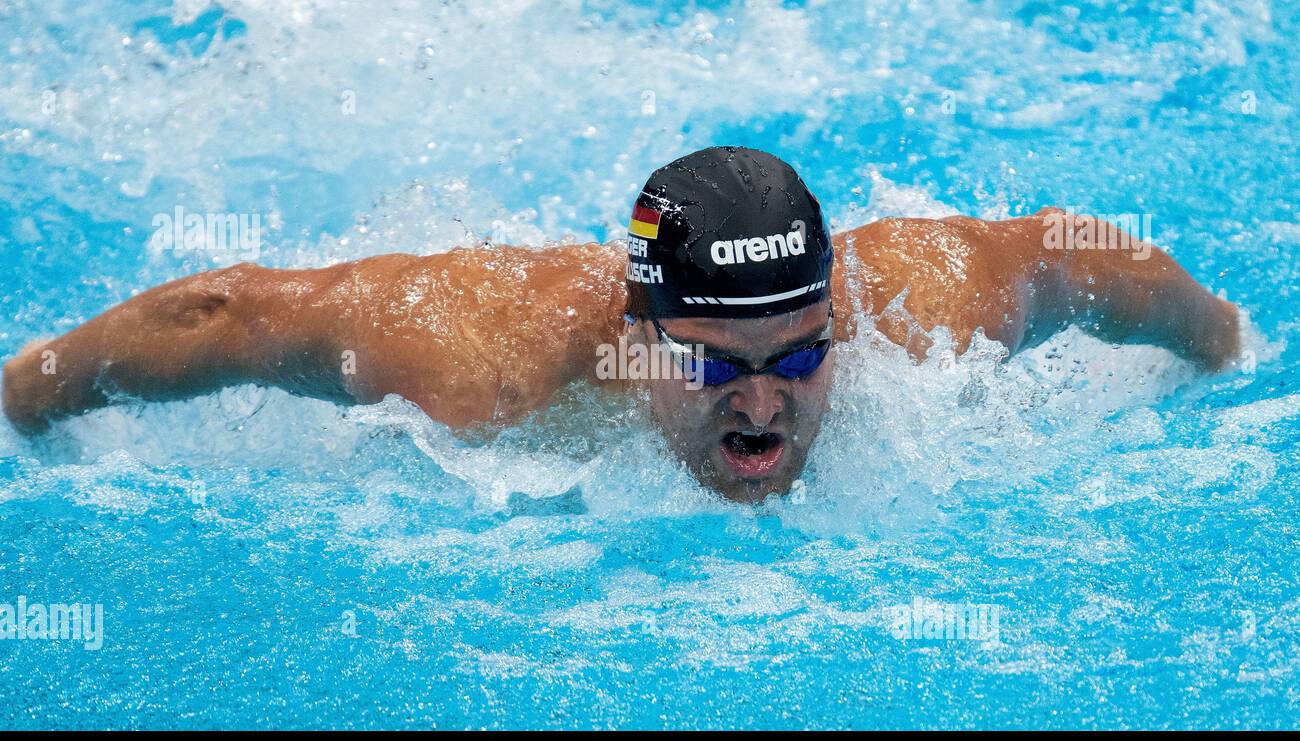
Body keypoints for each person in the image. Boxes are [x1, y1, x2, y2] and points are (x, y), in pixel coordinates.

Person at [1, 146, 1240, 502]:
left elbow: (1083, 256)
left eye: (798, 357)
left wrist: (1229, 346)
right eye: (713, 365)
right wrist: (25, 393)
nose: (762, 406)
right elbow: (232, 311)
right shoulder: (484, 359)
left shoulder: (919, 307)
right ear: (638, 338)